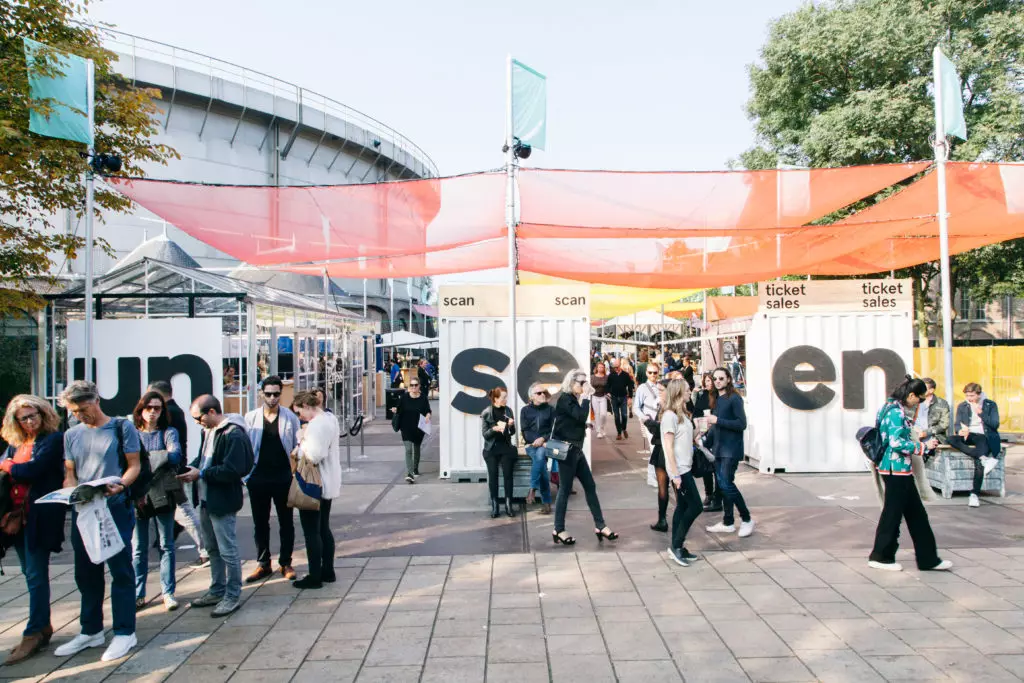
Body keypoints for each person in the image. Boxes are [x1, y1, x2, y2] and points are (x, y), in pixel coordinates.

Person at [55, 381, 140, 662]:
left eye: (83, 409)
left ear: (96, 400)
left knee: (120, 569)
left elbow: (134, 465)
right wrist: (72, 490)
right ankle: (90, 629)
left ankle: (125, 631)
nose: (79, 415)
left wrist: (122, 485)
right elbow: (70, 470)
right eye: (74, 411)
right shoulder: (71, 434)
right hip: (85, 509)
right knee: (86, 571)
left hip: (114, 506)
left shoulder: (121, 427)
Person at [0, 395, 65, 664]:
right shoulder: (16, 442)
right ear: (15, 421)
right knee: (29, 573)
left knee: (36, 574)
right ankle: (43, 626)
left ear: (43, 413)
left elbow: (33, 470)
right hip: (15, 518)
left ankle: (34, 632)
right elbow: (18, 469)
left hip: (38, 517)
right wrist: (15, 466)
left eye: (33, 415)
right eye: (23, 418)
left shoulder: (52, 439)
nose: (30, 421)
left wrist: (8, 466)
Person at [179, 395, 252, 617]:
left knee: (227, 550)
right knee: (212, 548)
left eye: (198, 417)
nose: (197, 422)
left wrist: (200, 473)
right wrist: (191, 468)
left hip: (222, 500)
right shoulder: (209, 431)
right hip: (206, 498)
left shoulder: (233, 434)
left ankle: (231, 595)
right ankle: (217, 589)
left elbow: (233, 469)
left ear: (211, 412)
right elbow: (204, 459)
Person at [869, 376, 952, 572]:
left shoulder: (887, 407)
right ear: (911, 395)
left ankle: (928, 559)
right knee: (894, 515)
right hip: (895, 469)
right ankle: (881, 556)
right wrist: (922, 446)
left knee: (916, 515)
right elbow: (896, 442)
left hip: (896, 469)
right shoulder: (896, 413)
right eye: (920, 399)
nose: (921, 403)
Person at [243, 376, 301, 583]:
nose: (272, 398)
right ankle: (263, 563)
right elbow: (246, 448)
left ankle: (286, 562)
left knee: (286, 521)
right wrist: (246, 476)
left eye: (276, 394)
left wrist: (295, 466)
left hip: (283, 476)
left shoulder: (290, 418)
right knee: (260, 522)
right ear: (261, 394)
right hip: (257, 477)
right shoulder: (250, 418)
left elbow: (298, 444)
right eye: (268, 394)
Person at [551, 369, 618, 546]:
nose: (584, 385)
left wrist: (584, 424)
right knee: (565, 489)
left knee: (590, 485)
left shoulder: (572, 399)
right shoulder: (566, 398)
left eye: (584, 382)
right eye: (581, 382)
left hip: (576, 451)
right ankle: (558, 529)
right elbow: (580, 415)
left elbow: (575, 419)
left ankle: (600, 525)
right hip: (567, 452)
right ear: (571, 383)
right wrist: (588, 397)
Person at [147, 381, 209, 569]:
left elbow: (171, 447)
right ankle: (203, 549)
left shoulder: (171, 414)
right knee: (182, 512)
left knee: (184, 512)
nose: (151, 410)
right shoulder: (175, 411)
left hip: (169, 474)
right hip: (170, 472)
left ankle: (205, 550)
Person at [131, 391, 181, 611]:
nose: (152, 412)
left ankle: (167, 592)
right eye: (148, 407)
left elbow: (176, 456)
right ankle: (137, 593)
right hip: (138, 493)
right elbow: (125, 460)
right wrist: (159, 457)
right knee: (139, 547)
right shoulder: (132, 433)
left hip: (162, 491)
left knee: (166, 544)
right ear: (140, 409)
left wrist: (142, 460)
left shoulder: (169, 432)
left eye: (157, 408)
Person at [290, 391, 341, 589]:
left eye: (299, 412)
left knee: (312, 531)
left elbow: (314, 455)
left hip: (315, 483)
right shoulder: (329, 418)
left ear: (307, 406)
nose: (299, 417)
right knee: (323, 528)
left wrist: (301, 439)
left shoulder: (317, 424)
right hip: (327, 481)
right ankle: (327, 570)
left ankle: (315, 575)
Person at [705, 368, 755, 538]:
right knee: (723, 486)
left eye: (721, 378)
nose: (717, 381)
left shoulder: (734, 399)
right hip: (718, 449)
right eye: (715, 378)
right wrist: (705, 440)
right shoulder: (717, 399)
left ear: (728, 380)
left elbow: (741, 424)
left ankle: (746, 518)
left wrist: (717, 420)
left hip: (730, 450)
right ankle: (728, 522)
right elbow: (716, 426)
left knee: (726, 484)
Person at [661, 380, 703, 566]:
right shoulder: (669, 416)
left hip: (686, 466)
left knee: (682, 507)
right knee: (696, 506)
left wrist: (699, 432)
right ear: (678, 393)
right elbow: (668, 447)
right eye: (687, 390)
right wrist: (675, 474)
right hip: (680, 470)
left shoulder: (683, 415)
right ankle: (676, 545)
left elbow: (685, 440)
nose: (690, 392)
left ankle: (677, 546)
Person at [948, 382, 1001, 508]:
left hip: (984, 436)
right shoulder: (963, 406)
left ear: (979, 394)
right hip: (969, 434)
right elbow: (957, 423)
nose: (969, 398)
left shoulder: (990, 405)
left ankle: (974, 494)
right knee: (950, 439)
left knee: (978, 463)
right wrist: (960, 430)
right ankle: (984, 458)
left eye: (972, 395)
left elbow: (995, 424)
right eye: (967, 395)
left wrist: (981, 413)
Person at [481, 387, 517, 518]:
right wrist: (494, 429)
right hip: (491, 448)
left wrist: (511, 425)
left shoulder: (508, 411)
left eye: (506, 397)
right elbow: (485, 435)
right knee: (493, 476)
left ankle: (508, 504)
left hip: (505, 447)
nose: (506, 400)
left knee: (508, 476)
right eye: (503, 397)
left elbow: (512, 433)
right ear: (495, 398)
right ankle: (495, 505)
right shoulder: (486, 413)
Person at [520, 384, 554, 514]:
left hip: (545, 444)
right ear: (532, 396)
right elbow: (525, 431)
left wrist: (543, 439)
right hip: (531, 444)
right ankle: (546, 502)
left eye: (544, 392)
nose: (543, 395)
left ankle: (533, 488)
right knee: (542, 466)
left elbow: (553, 429)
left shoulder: (550, 410)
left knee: (540, 455)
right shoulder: (525, 410)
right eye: (539, 393)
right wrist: (536, 440)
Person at [392, 376, 431, 483]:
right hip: (406, 427)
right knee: (408, 450)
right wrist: (395, 410)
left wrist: (428, 416)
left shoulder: (423, 397)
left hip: (418, 428)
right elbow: (398, 409)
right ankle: (410, 473)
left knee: (417, 449)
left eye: (415, 385)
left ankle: (415, 469)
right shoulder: (404, 397)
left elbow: (428, 410)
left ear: (419, 386)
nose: (413, 387)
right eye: (411, 385)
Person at [642, 382, 670, 532]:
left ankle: (663, 519)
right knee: (664, 487)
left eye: (661, 390)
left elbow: (660, 429)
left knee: (665, 486)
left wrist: (648, 422)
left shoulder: (668, 409)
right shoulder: (664, 406)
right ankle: (663, 519)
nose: (658, 392)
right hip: (662, 449)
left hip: (664, 449)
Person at [692, 373, 721, 511]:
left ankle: (717, 497)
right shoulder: (702, 395)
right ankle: (709, 494)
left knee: (717, 468)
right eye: (707, 381)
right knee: (706, 468)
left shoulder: (719, 397)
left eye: (711, 380)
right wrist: (700, 431)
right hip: (704, 434)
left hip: (716, 435)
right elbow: (696, 414)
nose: (710, 383)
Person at [634, 361, 661, 458]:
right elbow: (636, 407)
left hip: (661, 421)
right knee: (654, 448)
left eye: (655, 372)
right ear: (646, 373)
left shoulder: (661, 386)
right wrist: (644, 418)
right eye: (650, 372)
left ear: (658, 373)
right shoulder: (642, 388)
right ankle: (653, 472)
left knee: (660, 450)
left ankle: (655, 470)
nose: (652, 375)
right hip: (650, 422)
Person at [914, 378, 950, 450]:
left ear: (931, 390)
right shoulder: (914, 401)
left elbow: (944, 424)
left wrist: (926, 433)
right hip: (915, 439)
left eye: (923, 388)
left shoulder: (942, 403)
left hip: (935, 439)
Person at [606, 358, 634, 441]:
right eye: (614, 367)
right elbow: (608, 385)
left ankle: (624, 429)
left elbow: (630, 386)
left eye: (617, 367)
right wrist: (608, 392)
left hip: (623, 397)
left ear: (620, 366)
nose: (616, 369)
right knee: (617, 416)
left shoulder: (625, 375)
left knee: (624, 415)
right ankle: (619, 433)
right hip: (614, 397)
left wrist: (630, 397)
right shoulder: (611, 375)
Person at [590, 361, 610, 439]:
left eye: (602, 367)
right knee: (597, 414)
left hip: (603, 397)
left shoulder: (606, 377)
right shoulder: (592, 377)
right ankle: (599, 431)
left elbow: (609, 386)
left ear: (604, 368)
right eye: (599, 367)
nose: (601, 368)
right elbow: (590, 387)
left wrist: (609, 392)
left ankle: (602, 427)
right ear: (597, 368)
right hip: (594, 397)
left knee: (603, 414)